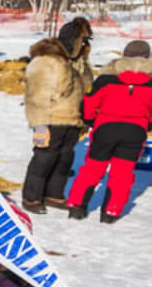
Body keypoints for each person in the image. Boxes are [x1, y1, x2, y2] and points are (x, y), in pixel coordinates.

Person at [65, 39, 152, 223]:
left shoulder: (107, 78)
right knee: (123, 172)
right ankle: (111, 212)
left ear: (124, 55)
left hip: (105, 128)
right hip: (135, 131)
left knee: (92, 168)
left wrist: (90, 119)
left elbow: (89, 102)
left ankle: (76, 205)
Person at [22, 23, 95, 213]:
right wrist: (39, 125)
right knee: (45, 157)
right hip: (51, 117)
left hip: (73, 119)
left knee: (65, 157)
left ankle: (54, 194)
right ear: (73, 40)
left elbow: (86, 91)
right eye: (82, 40)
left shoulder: (78, 63)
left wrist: (85, 119)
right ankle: (31, 197)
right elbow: (36, 94)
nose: (86, 45)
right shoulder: (47, 60)